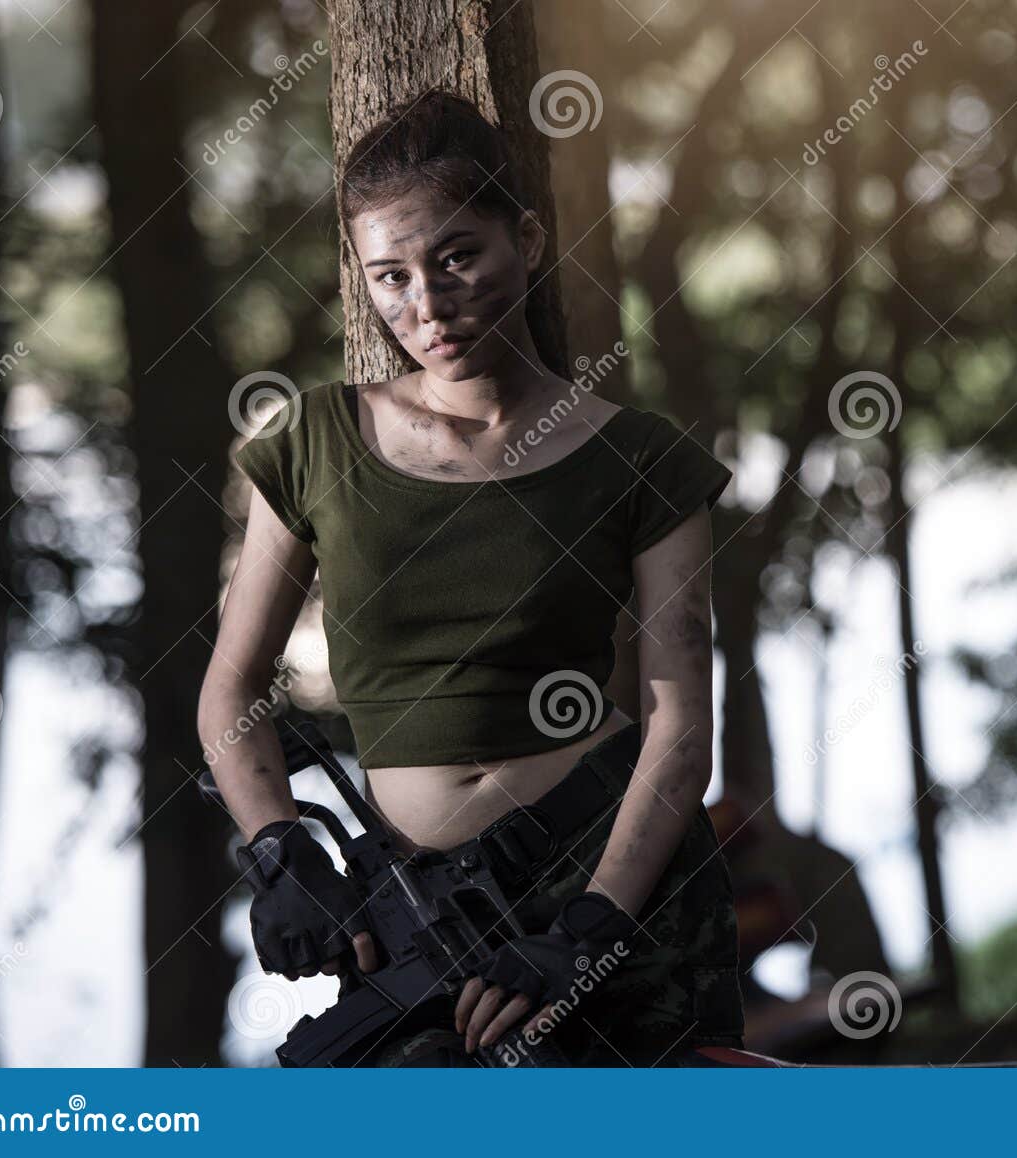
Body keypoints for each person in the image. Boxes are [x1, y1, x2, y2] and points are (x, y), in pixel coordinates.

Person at [196, 88, 745, 1067]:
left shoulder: (644, 460)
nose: (427, 305)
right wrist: (276, 849)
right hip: (425, 910)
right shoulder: (315, 440)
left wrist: (588, 927)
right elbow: (232, 693)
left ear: (525, 242)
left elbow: (681, 726)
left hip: (618, 880)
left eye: (456, 258)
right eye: (390, 276)